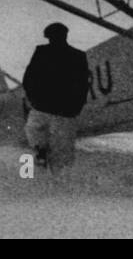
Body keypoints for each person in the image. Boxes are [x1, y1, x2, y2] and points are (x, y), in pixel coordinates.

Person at [22, 22, 90, 172]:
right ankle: (60, 185)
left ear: (48, 37)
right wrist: (76, 108)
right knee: (63, 155)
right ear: (65, 35)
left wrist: (33, 100)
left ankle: (38, 159)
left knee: (34, 135)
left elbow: (28, 78)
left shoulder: (41, 51)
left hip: (42, 108)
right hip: (65, 113)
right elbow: (83, 84)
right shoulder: (78, 55)